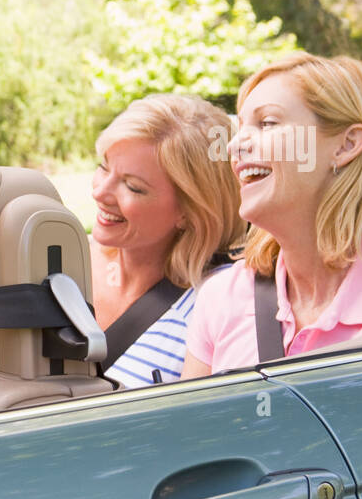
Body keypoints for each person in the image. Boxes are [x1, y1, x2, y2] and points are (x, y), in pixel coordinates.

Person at [182, 52, 362, 377]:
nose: (234, 146)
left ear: (346, 145)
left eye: (267, 123)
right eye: (240, 127)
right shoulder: (222, 296)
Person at [90, 94, 245, 387]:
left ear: (190, 211)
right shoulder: (59, 265)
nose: (100, 192)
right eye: (104, 167)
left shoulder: (217, 302)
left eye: (133, 187)